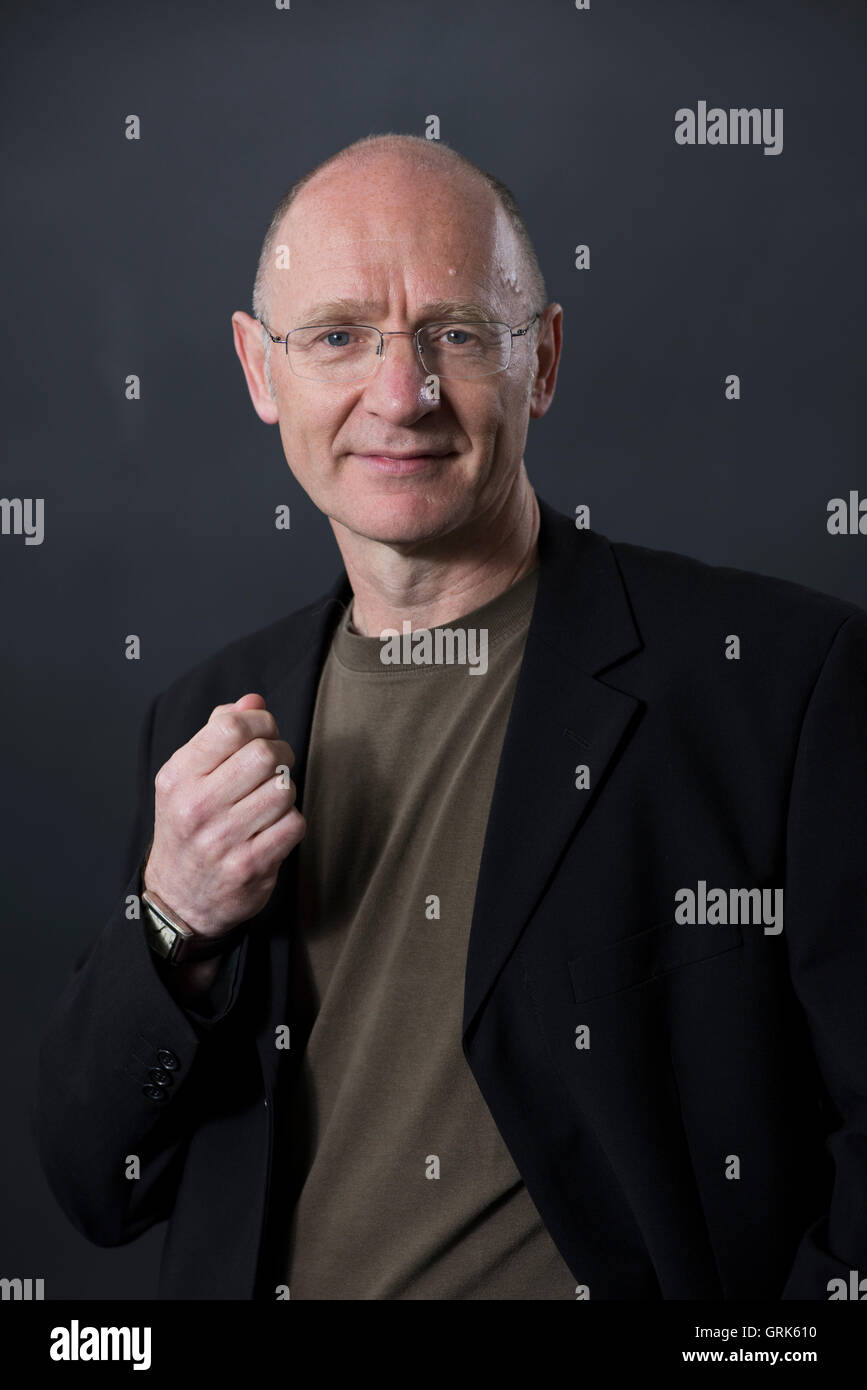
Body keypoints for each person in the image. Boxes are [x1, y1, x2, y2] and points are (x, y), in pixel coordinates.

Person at [34, 133, 867, 1300]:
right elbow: (93, 1182)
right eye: (338, 337)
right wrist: (173, 921)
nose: (401, 394)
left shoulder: (784, 683)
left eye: (457, 335)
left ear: (546, 360)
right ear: (259, 370)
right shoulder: (205, 717)